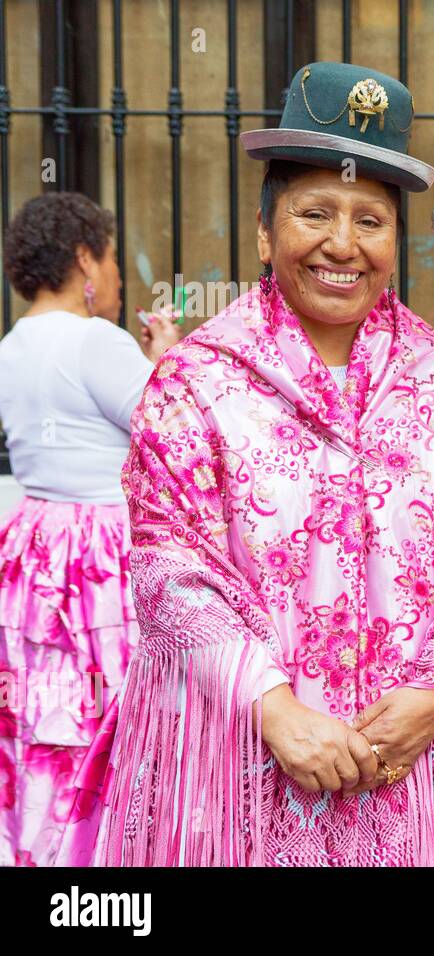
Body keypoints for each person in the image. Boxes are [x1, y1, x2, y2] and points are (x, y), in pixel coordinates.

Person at [92, 62, 434, 866]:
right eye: (314, 212)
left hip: (433, 763)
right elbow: (171, 566)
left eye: (370, 219)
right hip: (243, 758)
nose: (342, 244)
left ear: (396, 240)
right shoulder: (196, 381)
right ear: (265, 231)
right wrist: (276, 709)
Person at [0, 191, 182, 865]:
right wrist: (169, 356)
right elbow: (172, 434)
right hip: (100, 557)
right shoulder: (94, 339)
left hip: (34, 552)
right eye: (108, 258)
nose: (114, 277)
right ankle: (110, 864)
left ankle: (43, 850)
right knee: (117, 725)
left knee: (49, 718)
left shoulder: (12, 347)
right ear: (84, 259)